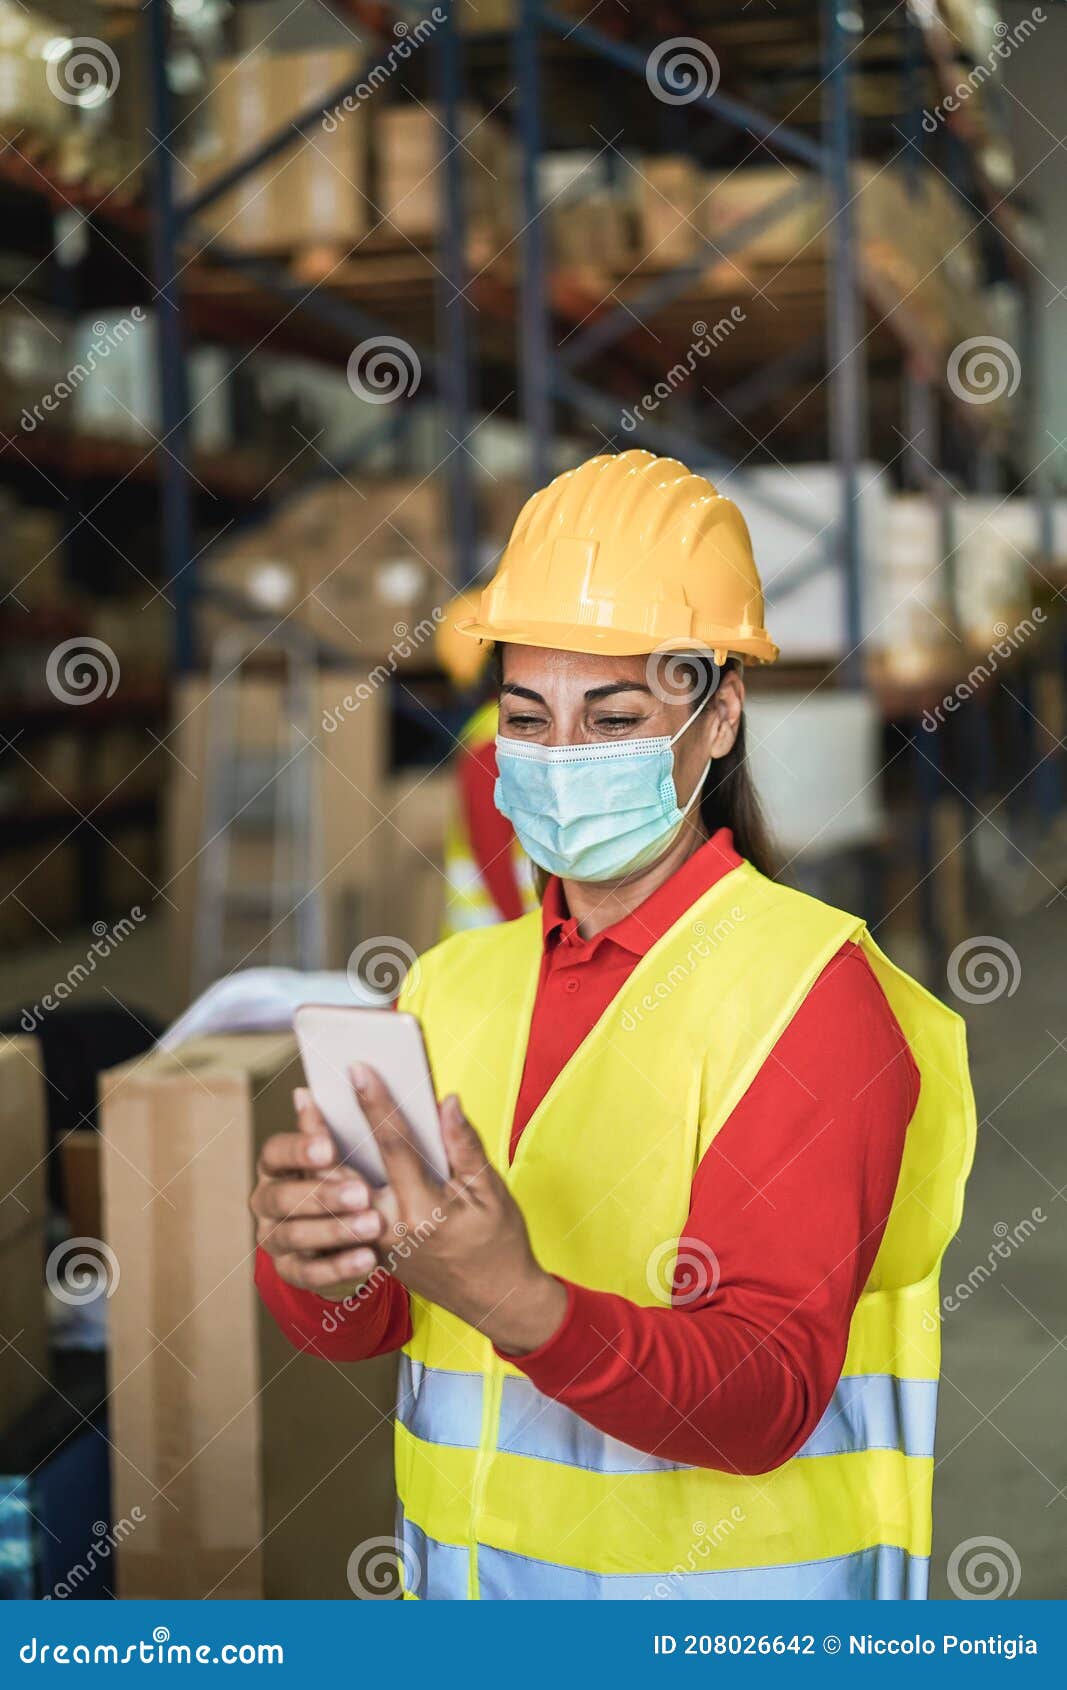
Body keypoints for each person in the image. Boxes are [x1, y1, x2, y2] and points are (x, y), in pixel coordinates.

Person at [251, 450, 976, 1601]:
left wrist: (517, 1298)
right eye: (526, 717)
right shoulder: (445, 986)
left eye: (613, 716)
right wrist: (313, 1258)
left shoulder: (808, 995)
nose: (558, 759)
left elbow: (766, 1396)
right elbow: (370, 1321)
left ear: (717, 715)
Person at [434, 591, 537, 937]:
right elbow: (493, 854)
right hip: (499, 943)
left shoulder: (493, 732)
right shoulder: (492, 743)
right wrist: (525, 935)